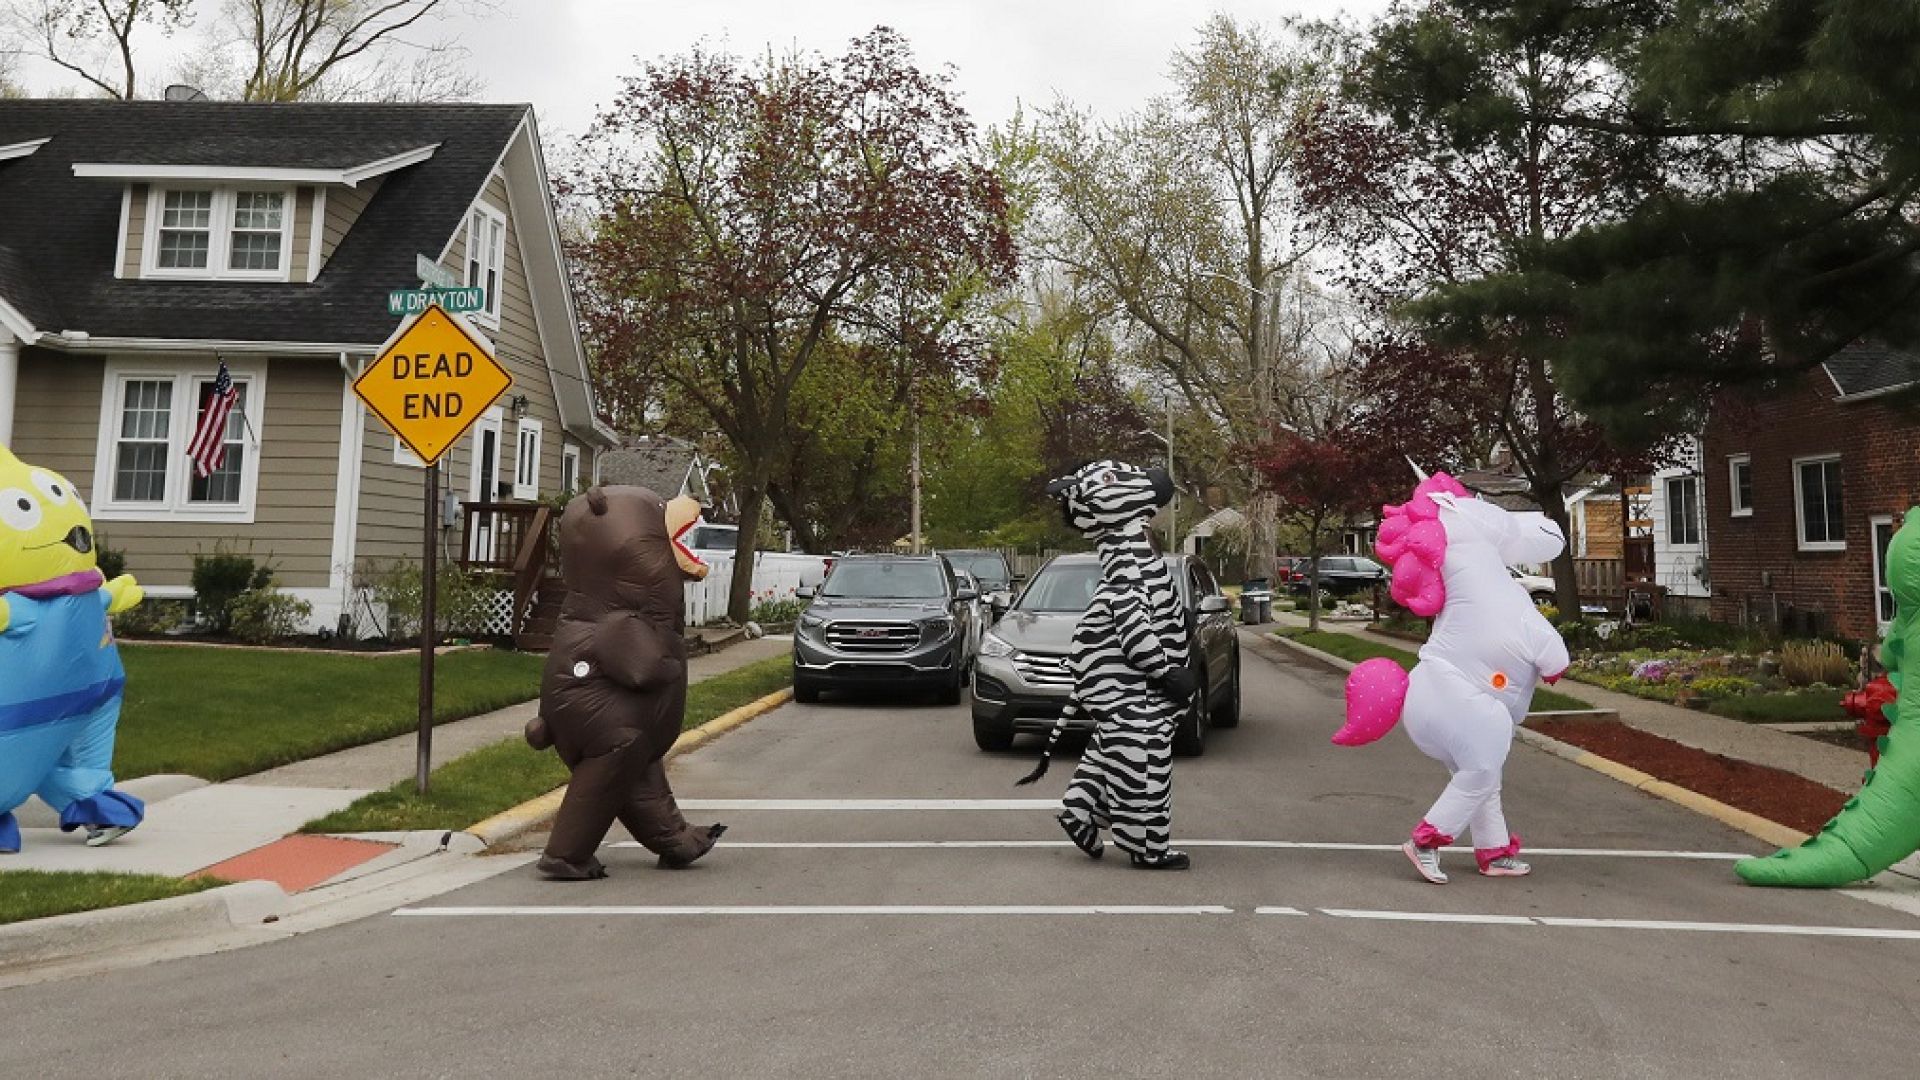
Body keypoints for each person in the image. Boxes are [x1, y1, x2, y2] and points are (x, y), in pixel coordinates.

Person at [527, 485, 725, 880]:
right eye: (660, 511)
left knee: (637, 773)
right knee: (615, 764)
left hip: (612, 721)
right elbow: (641, 669)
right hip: (607, 725)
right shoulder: (617, 619)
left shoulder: (600, 607)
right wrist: (667, 667)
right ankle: (566, 853)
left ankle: (675, 839)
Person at [1018, 459, 1195, 870]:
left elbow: (1147, 608)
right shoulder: (1128, 568)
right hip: (1134, 686)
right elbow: (1134, 629)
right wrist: (1166, 672)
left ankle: (1079, 812)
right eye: (1116, 479)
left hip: (1116, 683)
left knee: (1115, 746)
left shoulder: (1127, 558)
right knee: (1144, 753)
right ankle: (1147, 846)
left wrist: (1174, 620)